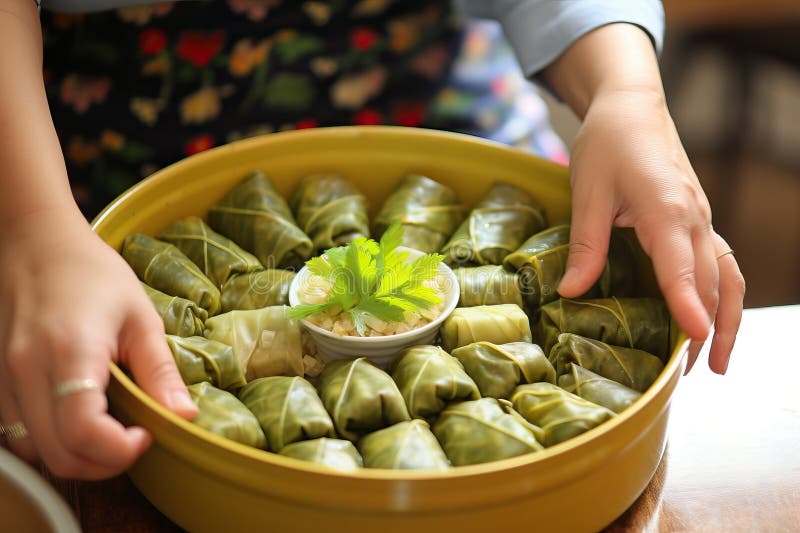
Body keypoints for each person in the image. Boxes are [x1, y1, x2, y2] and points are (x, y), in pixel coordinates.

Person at [0, 0, 745, 480]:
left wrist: (625, 90)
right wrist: (31, 224)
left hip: (440, 111)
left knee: (586, 262)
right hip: (77, 165)